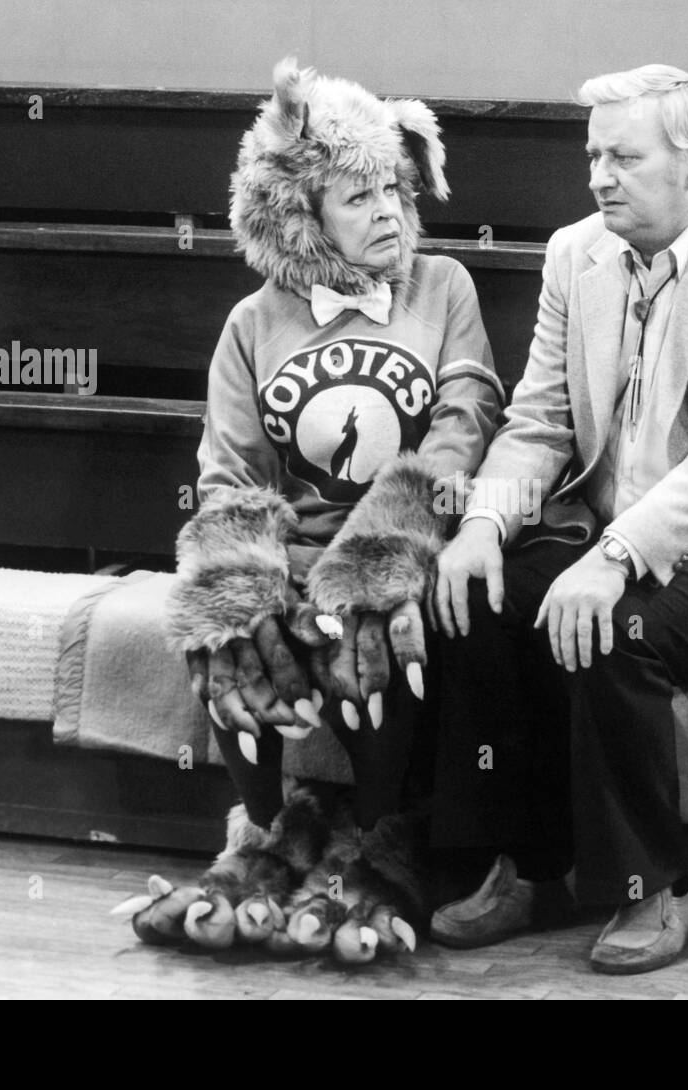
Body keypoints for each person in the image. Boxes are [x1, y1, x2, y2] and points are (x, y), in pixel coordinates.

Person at [429, 64, 688, 974]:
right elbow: (538, 419)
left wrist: (618, 556)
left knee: (614, 631)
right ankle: (533, 864)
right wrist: (481, 526)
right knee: (473, 594)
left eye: (623, 156)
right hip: (602, 527)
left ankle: (655, 885)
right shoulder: (574, 252)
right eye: (593, 155)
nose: (599, 176)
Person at [113, 58, 503, 963]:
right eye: (360, 198)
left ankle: (378, 842)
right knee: (231, 624)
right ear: (301, 214)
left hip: (399, 543)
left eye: (395, 194)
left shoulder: (443, 289)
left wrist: (386, 546)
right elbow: (231, 477)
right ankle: (256, 837)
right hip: (296, 549)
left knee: (374, 611)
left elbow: (466, 420)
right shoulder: (252, 322)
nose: (390, 216)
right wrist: (244, 586)